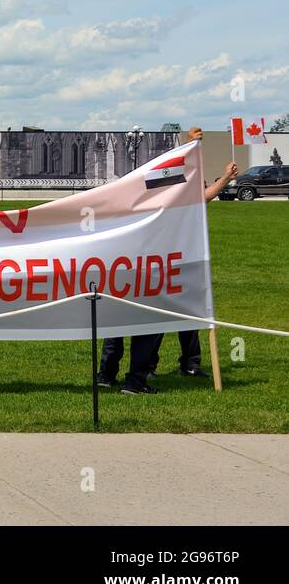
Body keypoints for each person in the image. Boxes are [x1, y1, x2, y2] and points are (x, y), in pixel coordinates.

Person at [99, 127, 238, 394]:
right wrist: (191, 150)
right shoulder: (158, 191)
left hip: (140, 264)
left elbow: (201, 195)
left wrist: (221, 175)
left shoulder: (155, 190)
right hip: (147, 266)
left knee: (127, 320)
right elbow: (197, 193)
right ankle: (131, 378)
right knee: (145, 322)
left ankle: (118, 374)